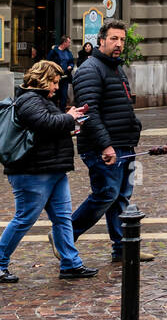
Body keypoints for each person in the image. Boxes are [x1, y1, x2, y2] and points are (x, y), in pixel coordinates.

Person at [63, 20, 152, 265]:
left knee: (121, 196)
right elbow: (89, 113)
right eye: (114, 39)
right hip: (102, 147)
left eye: (122, 40)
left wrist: (133, 128)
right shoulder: (90, 69)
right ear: (101, 40)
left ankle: (124, 248)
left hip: (123, 143)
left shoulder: (115, 67)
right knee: (106, 194)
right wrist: (105, 146)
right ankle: (64, 235)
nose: (119, 44)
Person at [0, 61, 95, 283]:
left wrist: (72, 121)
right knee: (24, 218)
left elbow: (48, 130)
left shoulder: (40, 100)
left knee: (62, 218)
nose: (56, 87)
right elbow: (45, 123)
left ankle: (70, 263)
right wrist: (69, 117)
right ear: (43, 80)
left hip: (53, 169)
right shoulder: (29, 100)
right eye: (54, 82)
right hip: (32, 171)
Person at [47, 35, 75, 109]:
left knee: (64, 96)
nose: (69, 44)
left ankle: (62, 111)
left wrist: (70, 66)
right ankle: (54, 110)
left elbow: (71, 62)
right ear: (64, 42)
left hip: (65, 77)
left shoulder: (68, 52)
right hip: (55, 77)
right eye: (69, 42)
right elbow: (48, 62)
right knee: (55, 95)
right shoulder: (54, 51)